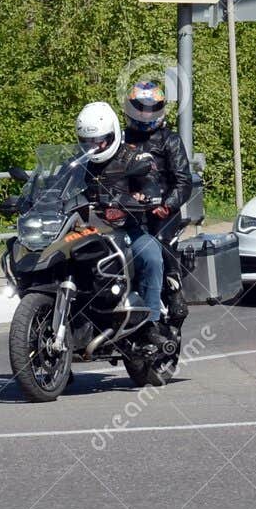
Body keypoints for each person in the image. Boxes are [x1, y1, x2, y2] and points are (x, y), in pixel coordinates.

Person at [75, 101, 172, 339]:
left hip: (127, 229)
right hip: (88, 232)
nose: (94, 146)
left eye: (100, 140)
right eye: (88, 141)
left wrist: (147, 196)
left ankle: (151, 323)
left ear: (113, 134)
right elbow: (57, 185)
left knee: (150, 255)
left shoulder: (132, 157)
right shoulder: (78, 163)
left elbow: (151, 182)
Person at [119, 79, 194, 241]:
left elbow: (183, 181)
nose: (145, 113)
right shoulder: (121, 138)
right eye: (140, 108)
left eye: (151, 108)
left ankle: (173, 267)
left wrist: (167, 205)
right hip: (127, 207)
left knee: (160, 242)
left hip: (160, 211)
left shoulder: (170, 140)